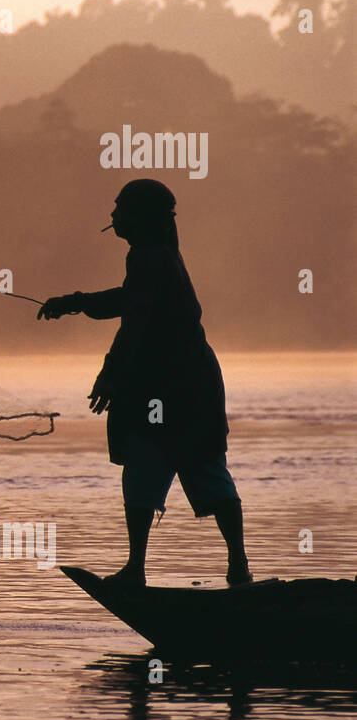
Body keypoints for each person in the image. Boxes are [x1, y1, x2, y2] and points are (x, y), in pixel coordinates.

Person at [37, 179, 252, 587]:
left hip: (177, 386)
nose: (113, 216)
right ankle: (230, 567)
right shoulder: (153, 256)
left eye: (120, 208)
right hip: (185, 385)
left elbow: (136, 321)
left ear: (141, 217)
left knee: (174, 468)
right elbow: (129, 302)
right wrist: (76, 302)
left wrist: (109, 373)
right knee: (181, 468)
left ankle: (149, 569)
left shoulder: (150, 258)